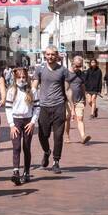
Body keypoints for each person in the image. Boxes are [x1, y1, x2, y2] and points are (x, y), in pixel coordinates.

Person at [32, 46, 73, 174]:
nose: (50, 57)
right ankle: (46, 151)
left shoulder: (63, 71)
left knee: (58, 135)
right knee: (43, 135)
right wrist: (30, 101)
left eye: (53, 54)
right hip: (43, 106)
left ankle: (56, 161)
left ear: (57, 56)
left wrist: (72, 106)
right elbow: (34, 86)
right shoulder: (40, 69)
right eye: (48, 54)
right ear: (45, 55)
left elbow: (67, 89)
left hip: (58, 105)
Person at [6, 65, 39, 185]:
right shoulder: (11, 90)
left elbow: (37, 107)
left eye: (23, 77)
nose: (21, 79)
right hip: (16, 121)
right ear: (15, 78)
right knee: (16, 147)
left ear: (27, 77)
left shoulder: (33, 90)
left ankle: (26, 171)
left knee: (26, 147)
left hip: (28, 121)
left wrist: (33, 122)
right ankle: (15, 171)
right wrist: (11, 125)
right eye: (19, 77)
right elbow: (8, 108)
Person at [65, 55, 90, 144]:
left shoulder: (81, 74)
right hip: (67, 101)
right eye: (77, 66)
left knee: (80, 118)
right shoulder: (66, 73)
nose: (79, 68)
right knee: (67, 119)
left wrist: (85, 97)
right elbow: (66, 89)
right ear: (72, 63)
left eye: (80, 66)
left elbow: (82, 86)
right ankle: (67, 135)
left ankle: (83, 136)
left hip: (79, 100)